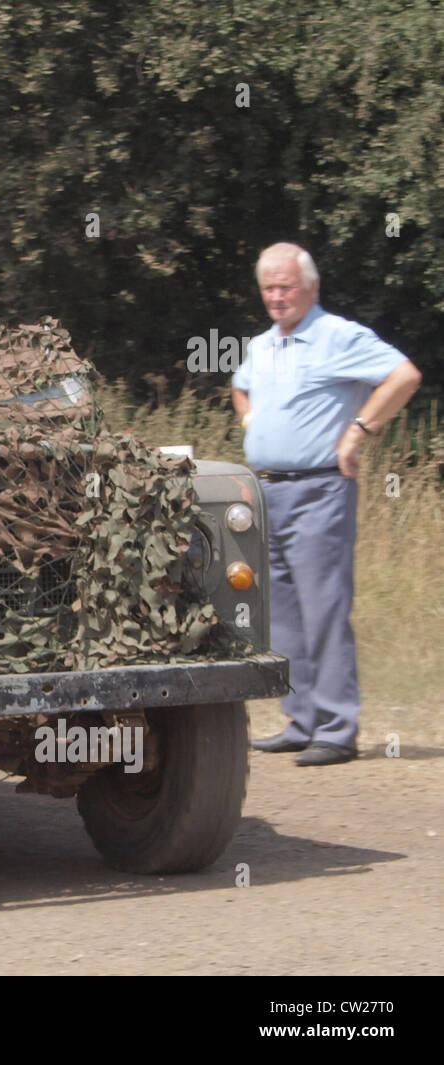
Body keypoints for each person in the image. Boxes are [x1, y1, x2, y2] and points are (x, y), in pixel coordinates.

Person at [232, 242, 422, 766]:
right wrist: (251, 422)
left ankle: (337, 730)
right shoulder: (261, 345)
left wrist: (359, 430)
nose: (276, 296)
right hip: (267, 491)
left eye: (285, 286)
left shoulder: (339, 336)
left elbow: (404, 375)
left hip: (320, 490)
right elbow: (240, 388)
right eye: (268, 287)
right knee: (283, 614)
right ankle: (302, 721)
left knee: (325, 610)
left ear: (310, 287)